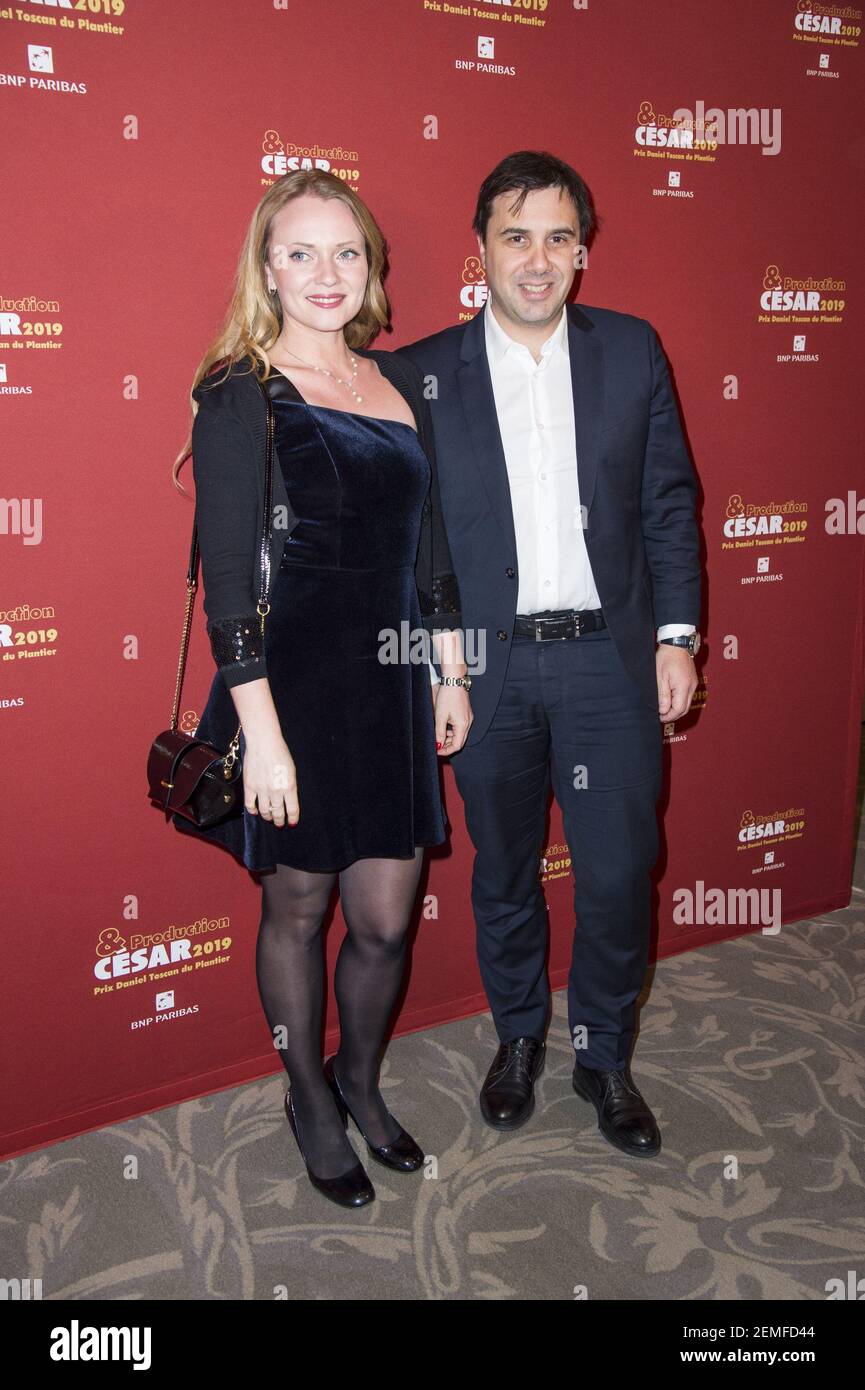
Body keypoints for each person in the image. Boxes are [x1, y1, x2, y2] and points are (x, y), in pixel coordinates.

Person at [171, 169, 472, 1207]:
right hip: (287, 690)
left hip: (389, 686)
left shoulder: (396, 384)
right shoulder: (239, 389)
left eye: (346, 251)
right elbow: (227, 584)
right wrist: (265, 736)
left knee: (387, 917)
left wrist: (450, 668)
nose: (326, 273)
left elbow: (431, 548)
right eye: (300, 252)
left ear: (372, 267)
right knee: (297, 908)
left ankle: (356, 1073)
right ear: (266, 268)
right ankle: (307, 1093)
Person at [399, 150, 701, 1157]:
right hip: (487, 671)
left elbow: (667, 502)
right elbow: (417, 544)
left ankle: (604, 1053)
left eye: (559, 237)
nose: (537, 259)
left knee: (618, 874)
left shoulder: (630, 349)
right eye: (515, 236)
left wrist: (675, 636)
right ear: (479, 248)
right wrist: (442, 669)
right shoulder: (426, 371)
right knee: (505, 869)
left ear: (583, 249)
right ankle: (520, 1035)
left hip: (608, 665)